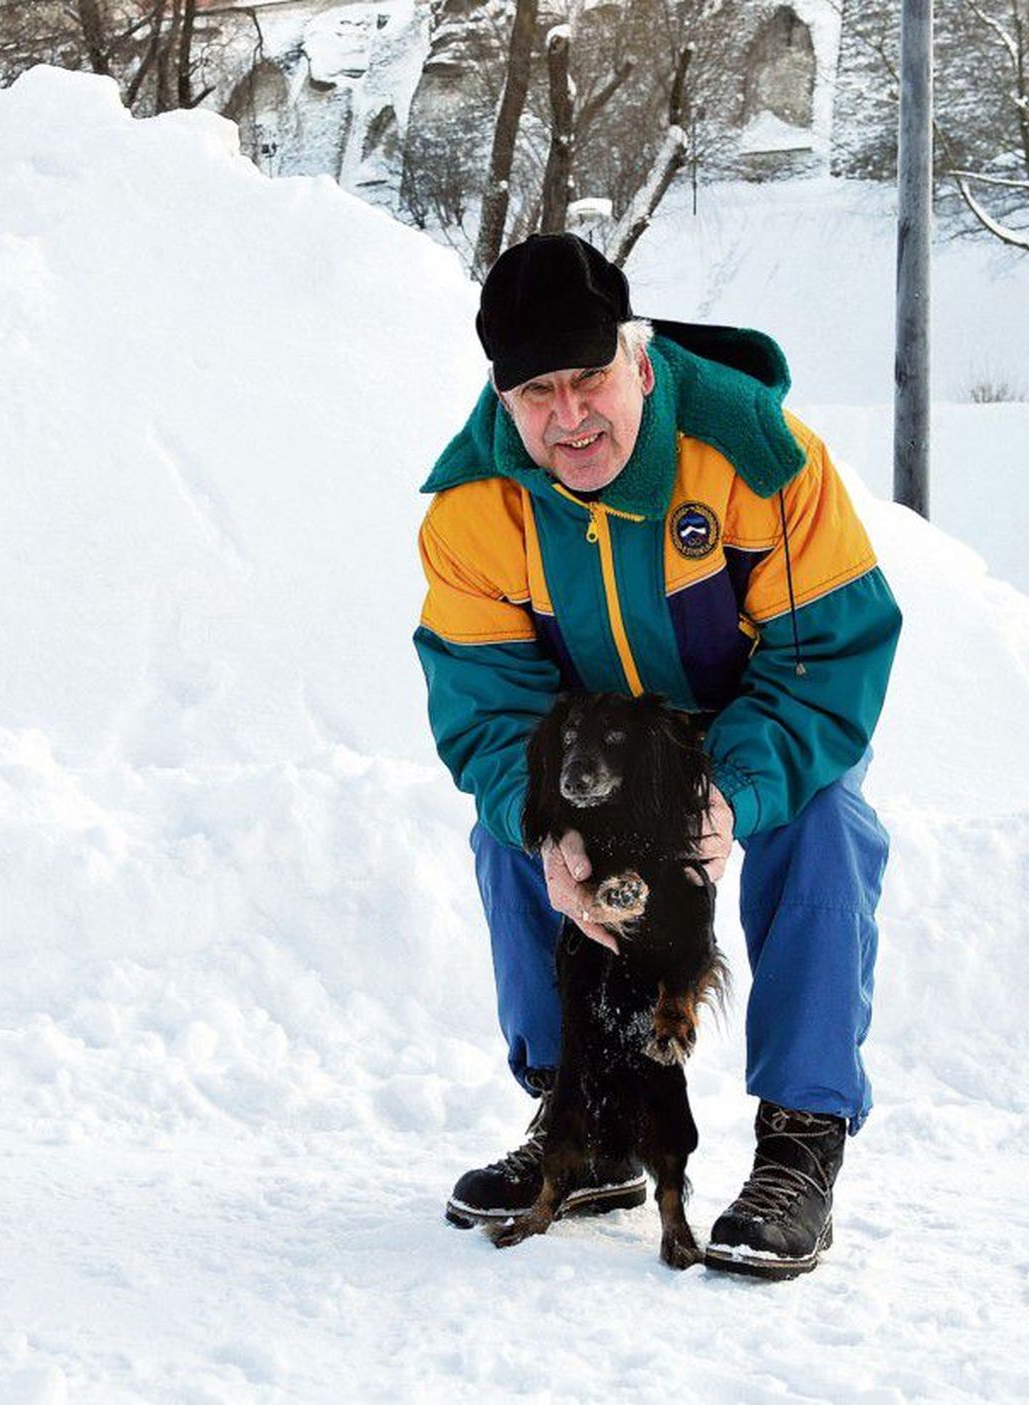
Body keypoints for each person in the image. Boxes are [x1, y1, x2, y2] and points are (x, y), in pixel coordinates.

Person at [413, 232, 901, 1280]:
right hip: (602, 745)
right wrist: (549, 822)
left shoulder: (760, 456)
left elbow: (830, 657)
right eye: (536, 393)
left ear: (638, 358)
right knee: (515, 835)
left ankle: (801, 1138)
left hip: (755, 719)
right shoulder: (473, 508)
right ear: (504, 400)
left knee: (824, 826)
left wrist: (734, 793)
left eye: (589, 378)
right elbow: (491, 711)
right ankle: (583, 1122)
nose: (570, 415)